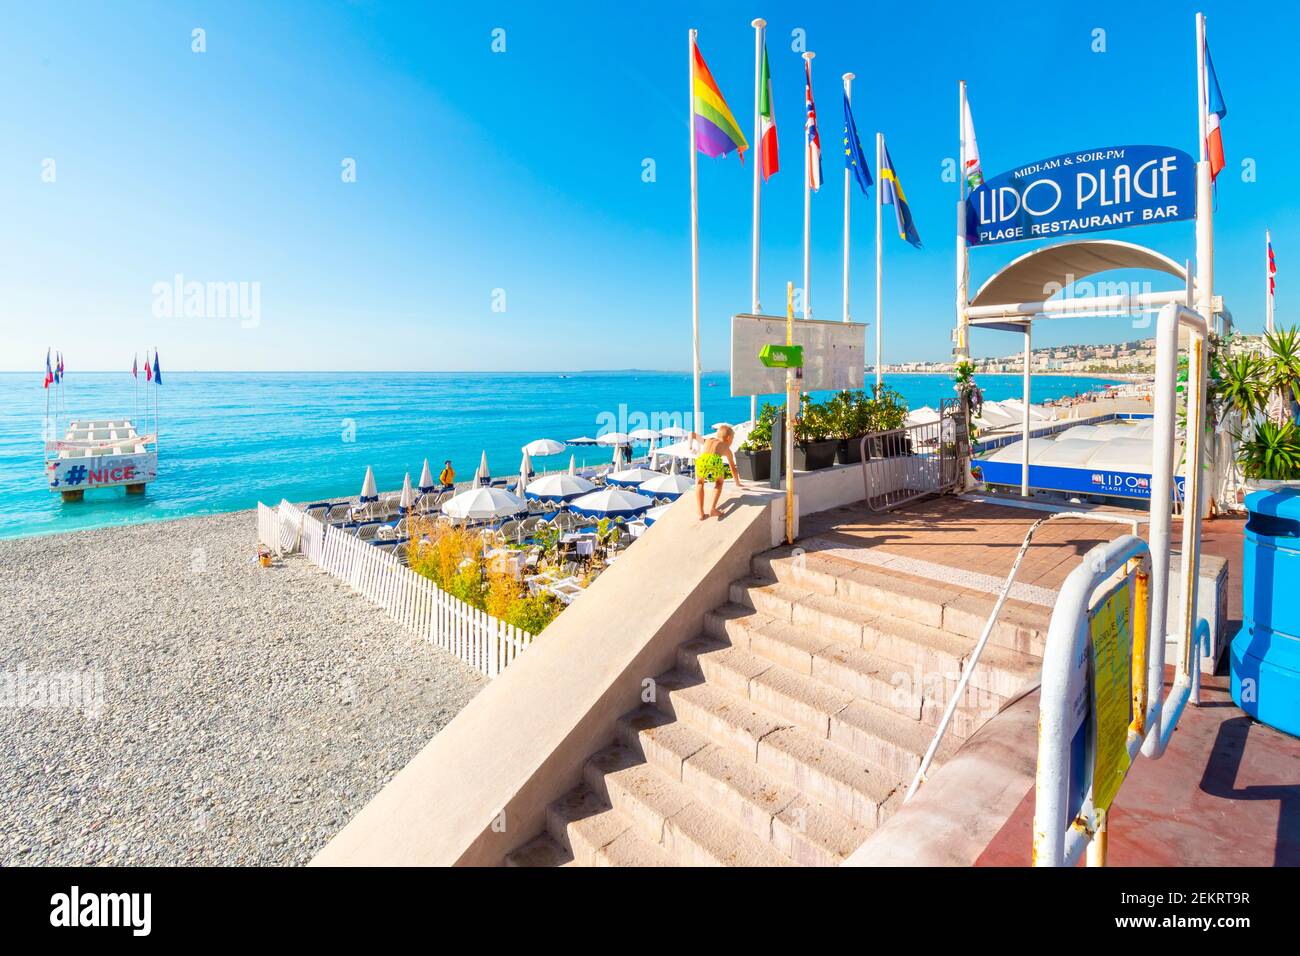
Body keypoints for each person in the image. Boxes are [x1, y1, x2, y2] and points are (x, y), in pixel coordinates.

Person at [689, 425, 743, 520]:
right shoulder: (726, 448)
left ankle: (700, 512)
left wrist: (690, 447)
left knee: (700, 483)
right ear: (728, 438)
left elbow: (691, 434)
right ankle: (712, 509)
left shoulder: (708, 440)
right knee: (719, 483)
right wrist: (737, 483)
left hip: (702, 459)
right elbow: (732, 468)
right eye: (732, 439)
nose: (732, 442)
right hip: (715, 460)